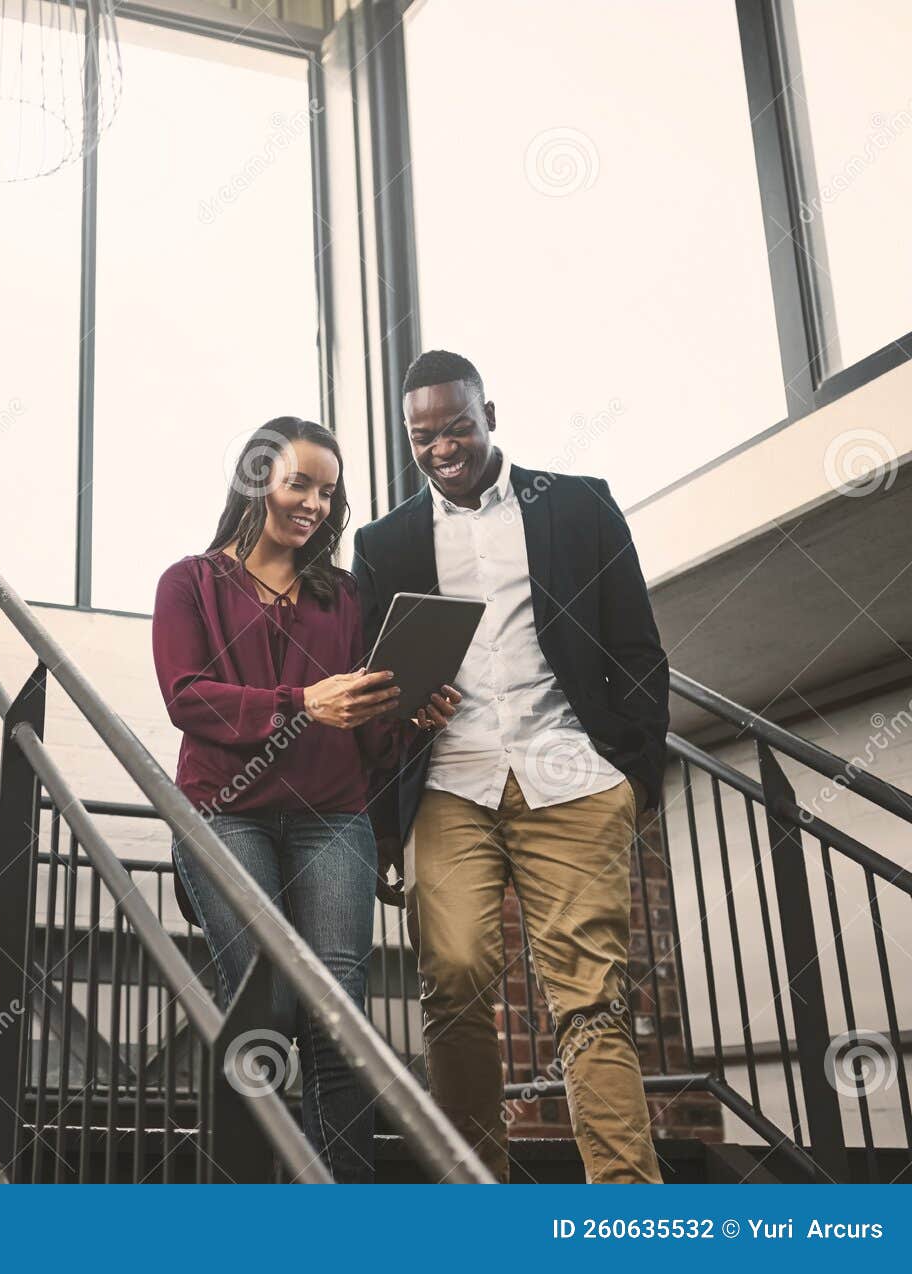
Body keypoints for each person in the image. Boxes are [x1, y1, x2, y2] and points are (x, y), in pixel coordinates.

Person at [352, 350, 670, 1184]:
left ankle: (628, 1211)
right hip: (451, 783)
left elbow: (637, 647)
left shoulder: (575, 505)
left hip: (569, 774)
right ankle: (473, 1196)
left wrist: (633, 778)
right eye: (423, 436)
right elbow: (372, 680)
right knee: (451, 978)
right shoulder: (382, 544)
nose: (443, 448)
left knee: (590, 998)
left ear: (490, 411)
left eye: (457, 426)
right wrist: (406, 703)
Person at [152, 416, 458, 1182]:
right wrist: (298, 704)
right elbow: (189, 698)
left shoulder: (345, 596)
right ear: (258, 481)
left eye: (329, 491)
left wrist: (407, 710)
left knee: (339, 1020)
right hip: (227, 813)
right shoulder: (188, 583)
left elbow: (364, 723)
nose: (317, 505)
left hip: (334, 816)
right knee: (267, 1003)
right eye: (300, 484)